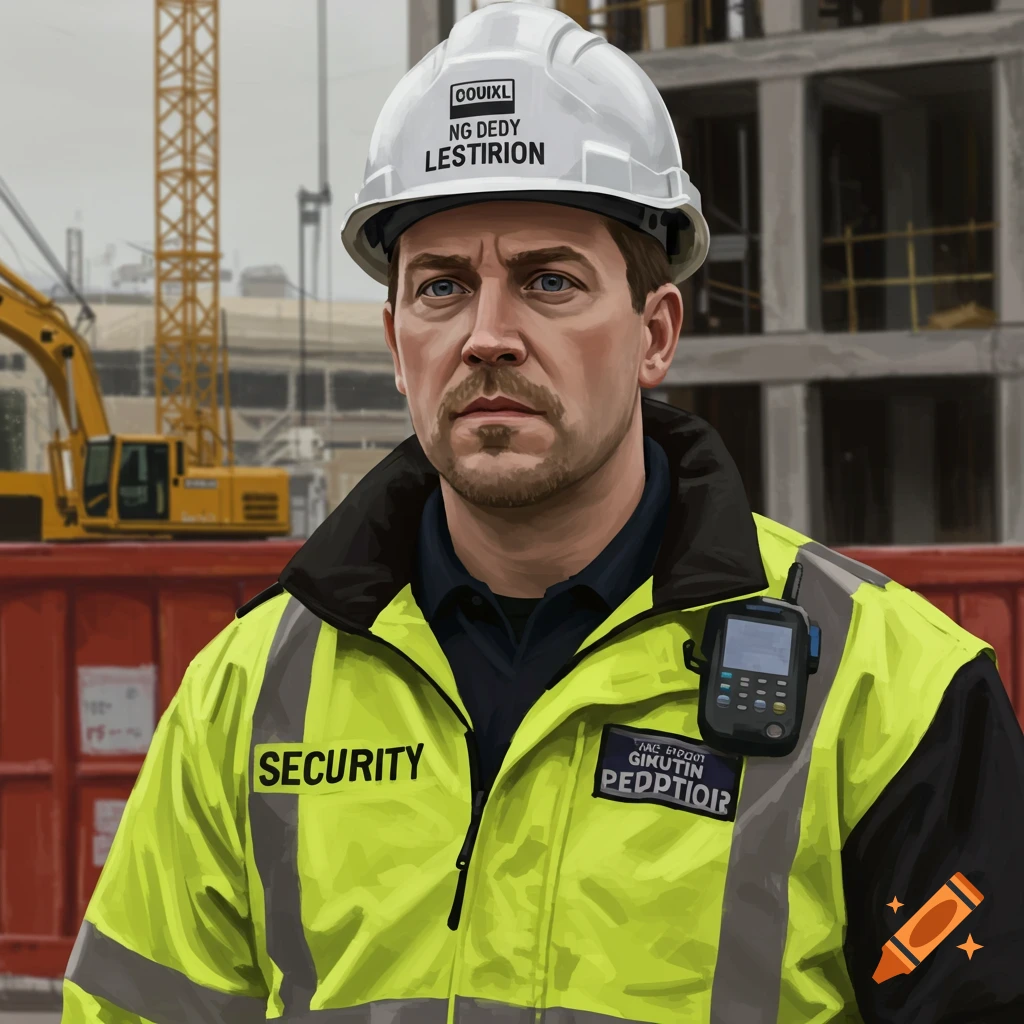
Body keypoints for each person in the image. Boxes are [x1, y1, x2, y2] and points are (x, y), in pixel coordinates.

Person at [62, 3, 1023, 1022]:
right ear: (395, 342)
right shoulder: (248, 696)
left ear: (655, 333)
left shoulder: (890, 692)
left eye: (548, 280)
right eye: (440, 287)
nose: (486, 335)